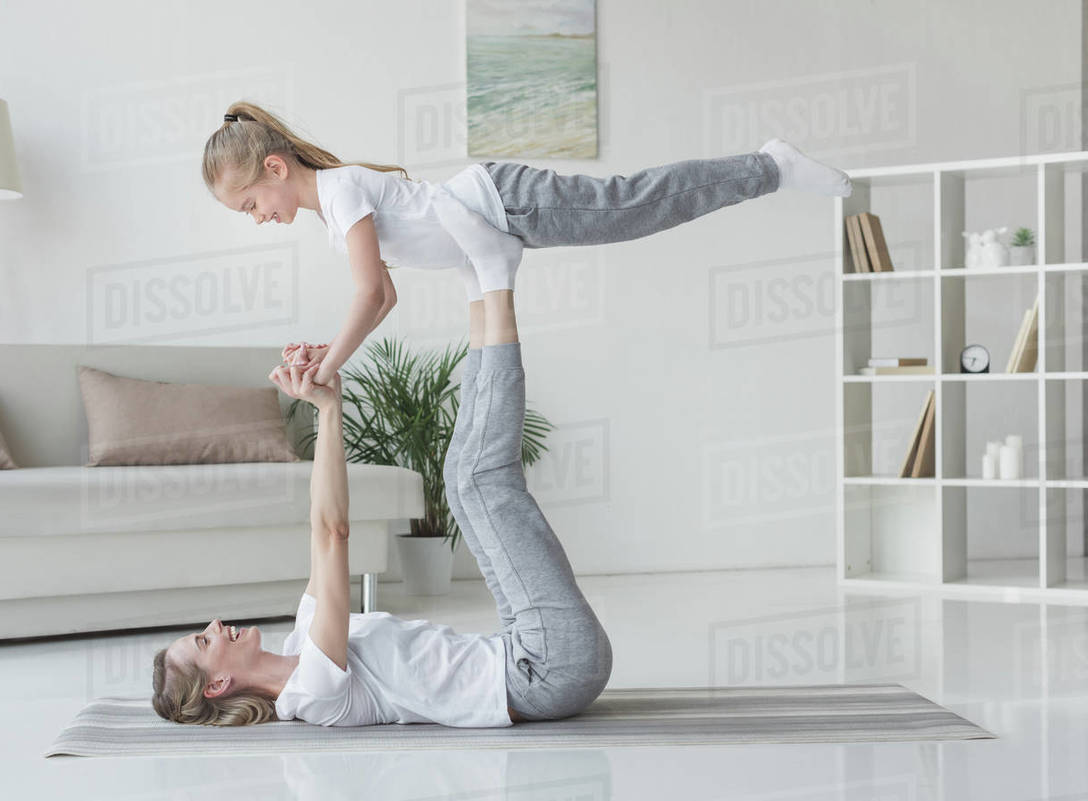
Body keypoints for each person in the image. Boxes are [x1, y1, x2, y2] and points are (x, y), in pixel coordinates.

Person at [151, 284, 608, 727]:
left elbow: (320, 532)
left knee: (459, 480)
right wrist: (328, 411)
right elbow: (332, 533)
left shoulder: (301, 639)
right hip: (544, 671)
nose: (214, 624)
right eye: (203, 641)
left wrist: (329, 394)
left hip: (517, 649)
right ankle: (496, 282)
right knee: (480, 481)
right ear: (218, 685)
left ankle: (478, 290)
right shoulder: (312, 692)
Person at [201, 101, 852, 385]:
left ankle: (770, 166)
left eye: (250, 204)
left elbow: (369, 292)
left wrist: (329, 366)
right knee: (634, 211)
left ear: (275, 169)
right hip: (501, 219)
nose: (256, 218)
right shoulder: (333, 218)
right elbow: (385, 298)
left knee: (632, 205)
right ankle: (767, 169)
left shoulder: (341, 191)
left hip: (505, 200)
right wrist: (330, 349)